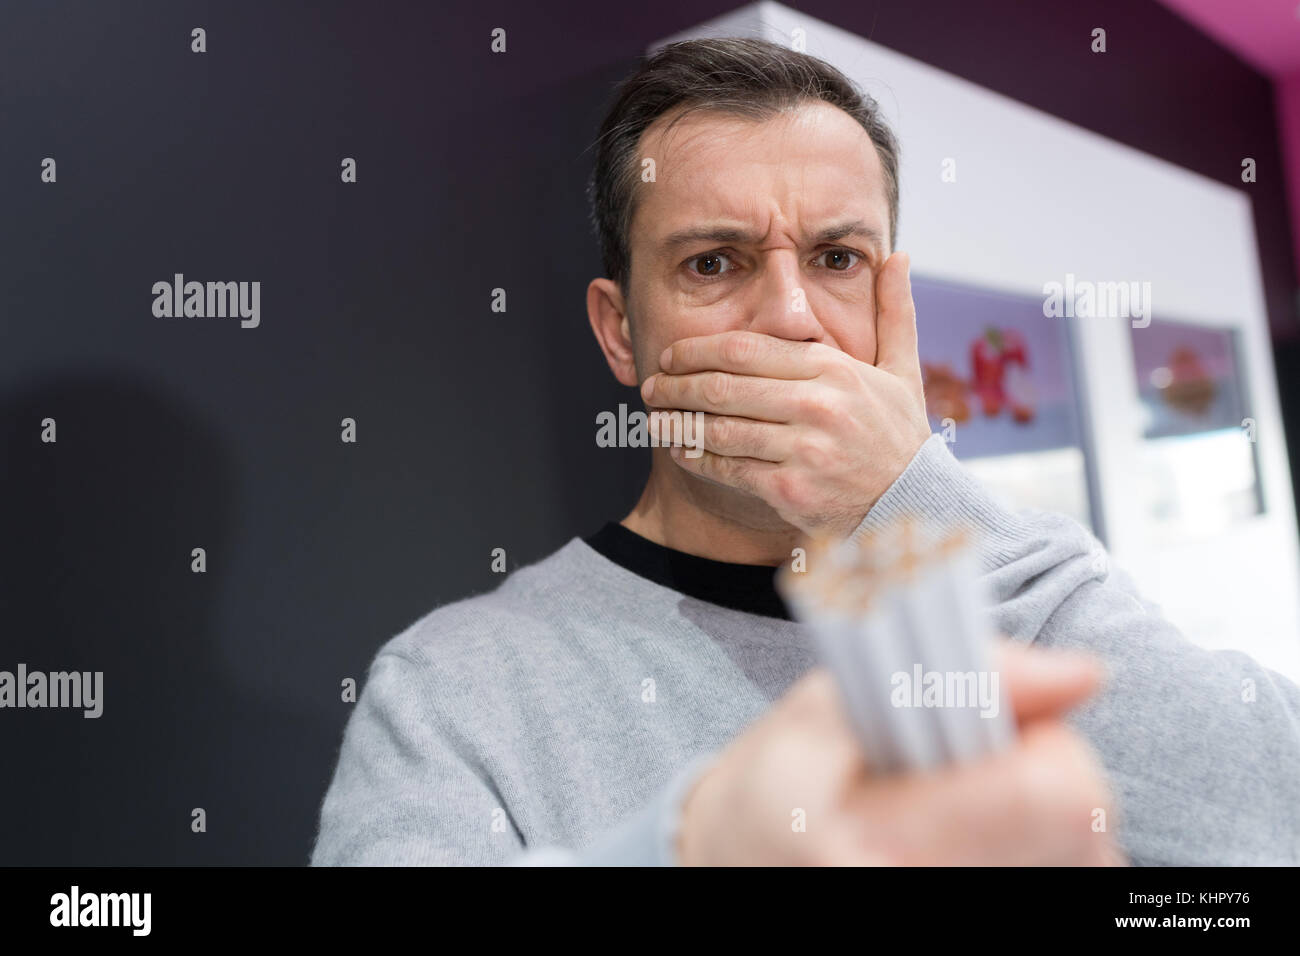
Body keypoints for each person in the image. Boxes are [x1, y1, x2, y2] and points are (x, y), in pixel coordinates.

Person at [310, 37, 1300, 866]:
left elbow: (1270, 812)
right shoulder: (454, 686)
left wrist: (908, 503)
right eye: (713, 262)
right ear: (620, 333)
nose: (791, 317)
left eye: (836, 259)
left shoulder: (1012, 578)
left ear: (890, 301)